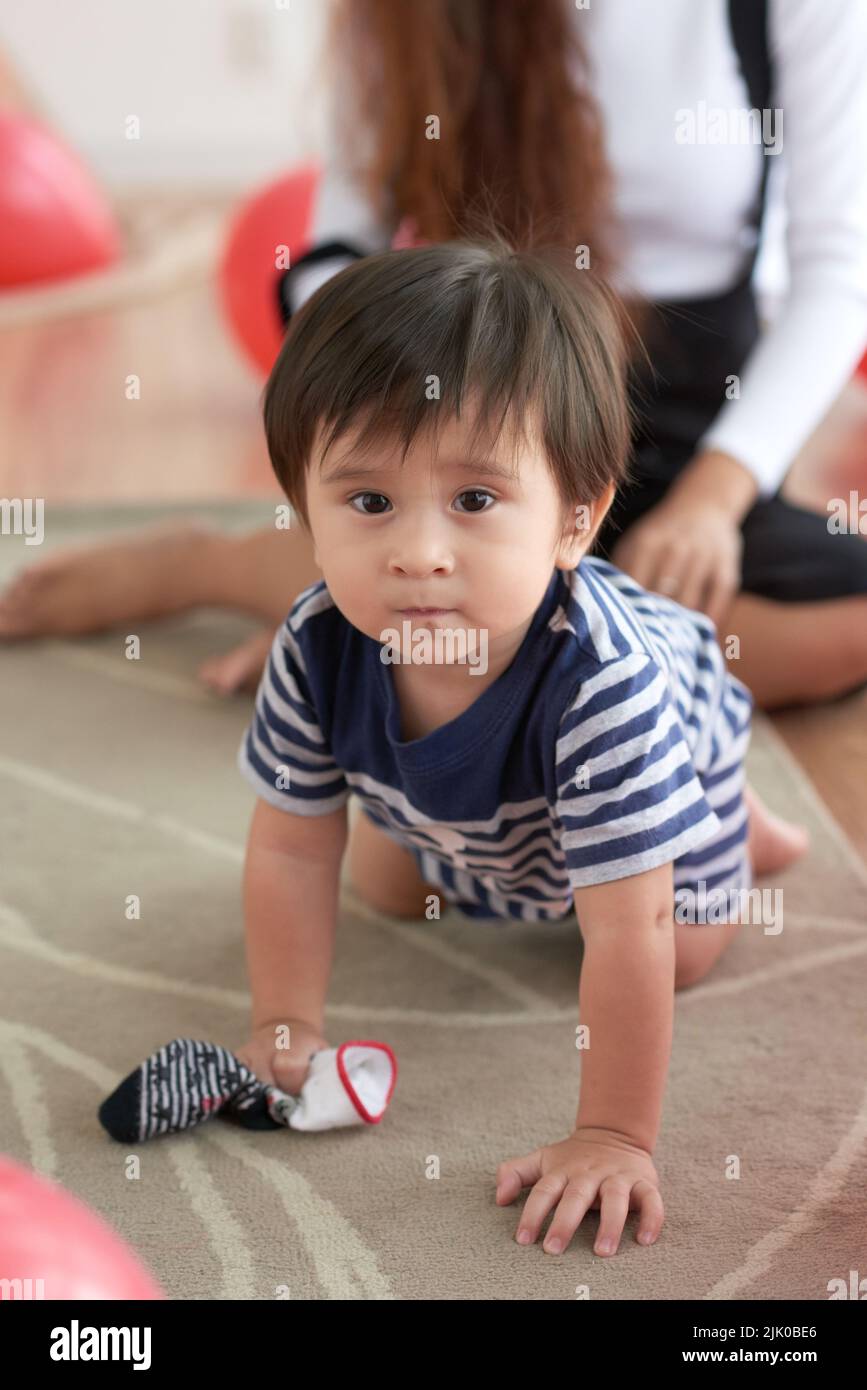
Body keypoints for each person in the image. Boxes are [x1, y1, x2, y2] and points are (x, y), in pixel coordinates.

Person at [2, 0, 866, 710]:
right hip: (466, 391)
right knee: (477, 553)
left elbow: (839, 274)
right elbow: (335, 246)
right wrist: (393, 371)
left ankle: (367, 624)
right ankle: (235, 570)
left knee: (830, 618)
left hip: (692, 411)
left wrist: (710, 501)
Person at [232, 237, 808, 1258]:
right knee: (385, 887)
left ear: (575, 520)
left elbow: (626, 937)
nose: (418, 551)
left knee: (678, 948)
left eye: (475, 500)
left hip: (660, 749)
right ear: (306, 516)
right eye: (368, 503)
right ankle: (569, 841)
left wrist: (612, 1134)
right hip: (497, 815)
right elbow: (287, 846)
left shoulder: (605, 686)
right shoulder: (318, 644)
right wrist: (286, 1021)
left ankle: (736, 821)